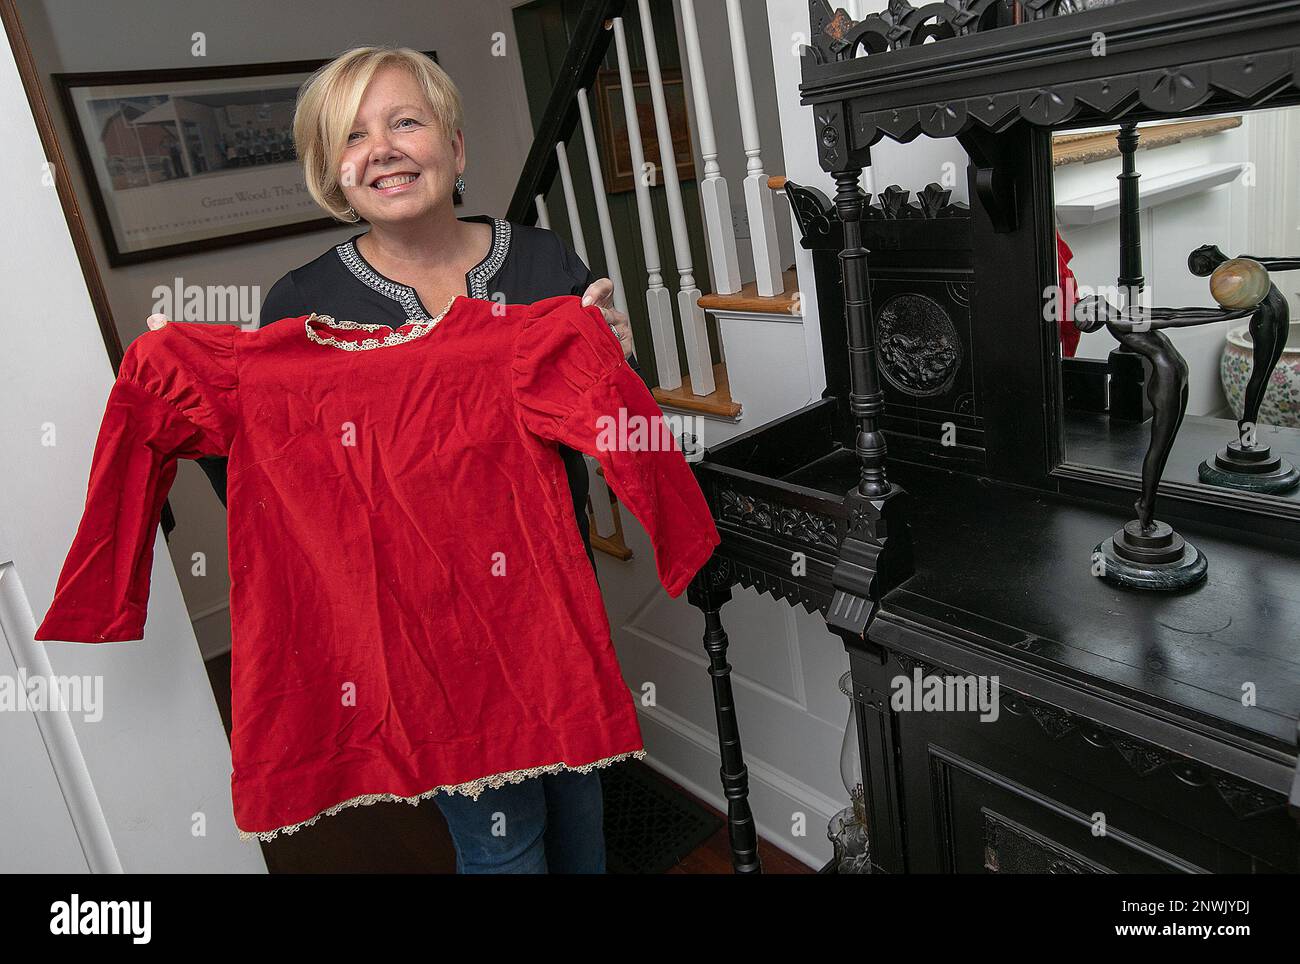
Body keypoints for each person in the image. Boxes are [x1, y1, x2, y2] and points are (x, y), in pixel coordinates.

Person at [148, 45, 641, 873]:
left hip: (554, 606)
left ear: (454, 147)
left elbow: (608, 427)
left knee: (581, 795)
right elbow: (277, 480)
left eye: (404, 121)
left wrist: (614, 363)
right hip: (429, 635)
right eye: (351, 136)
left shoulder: (544, 262)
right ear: (331, 173)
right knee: (505, 840)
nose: (380, 148)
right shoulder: (302, 305)